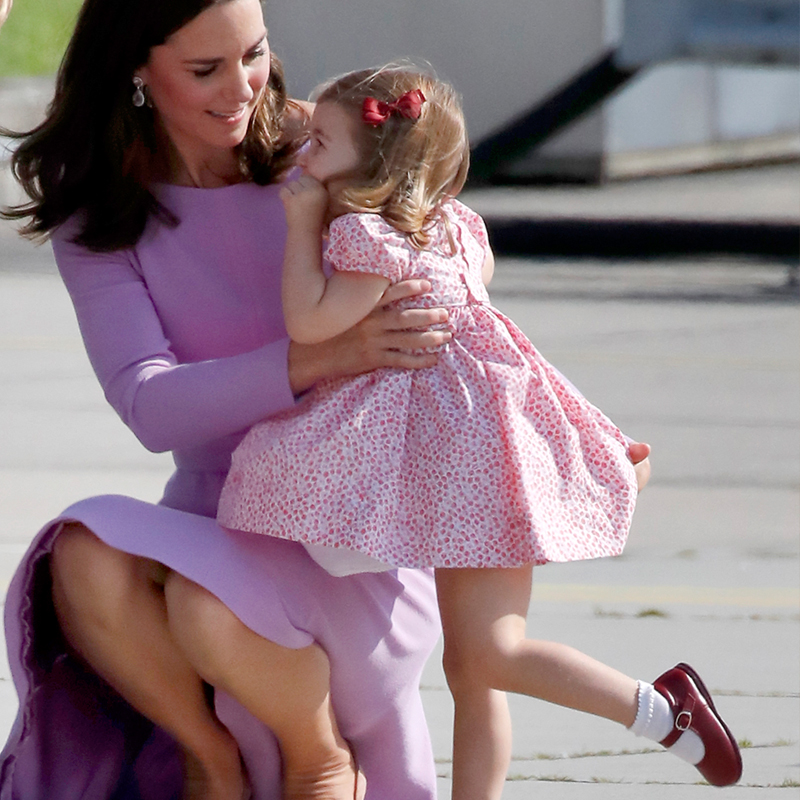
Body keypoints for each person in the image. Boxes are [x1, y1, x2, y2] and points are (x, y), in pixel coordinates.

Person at [216, 65, 744, 800]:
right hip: (488, 451)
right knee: (474, 668)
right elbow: (481, 285)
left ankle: (663, 713)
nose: (305, 152)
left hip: (458, 461)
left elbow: (311, 323)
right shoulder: (455, 224)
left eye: (322, 141)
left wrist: (306, 223)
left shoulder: (367, 240)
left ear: (369, 163)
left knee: (490, 657)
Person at [0, 2, 464, 799]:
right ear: (137, 73)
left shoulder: (327, 151)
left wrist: (568, 445)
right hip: (211, 515)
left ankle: (317, 759)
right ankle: (208, 759)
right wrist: (319, 355)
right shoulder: (101, 210)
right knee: (81, 553)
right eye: (206, 70)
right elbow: (150, 408)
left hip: (340, 527)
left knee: (206, 601)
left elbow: (460, 295)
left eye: (254, 55)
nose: (243, 88)